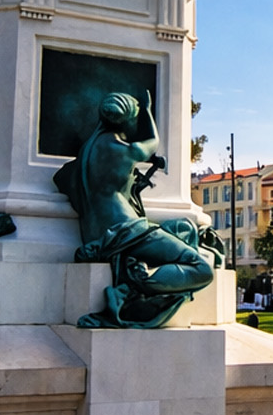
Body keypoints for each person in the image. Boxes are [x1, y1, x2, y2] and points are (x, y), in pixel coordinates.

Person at [53, 91, 215, 328]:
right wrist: (148, 111)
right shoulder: (123, 151)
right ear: (126, 120)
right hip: (128, 230)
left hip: (100, 233)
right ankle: (141, 282)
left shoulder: (88, 151)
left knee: (182, 228)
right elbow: (152, 142)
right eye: (134, 118)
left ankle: (145, 275)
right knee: (203, 269)